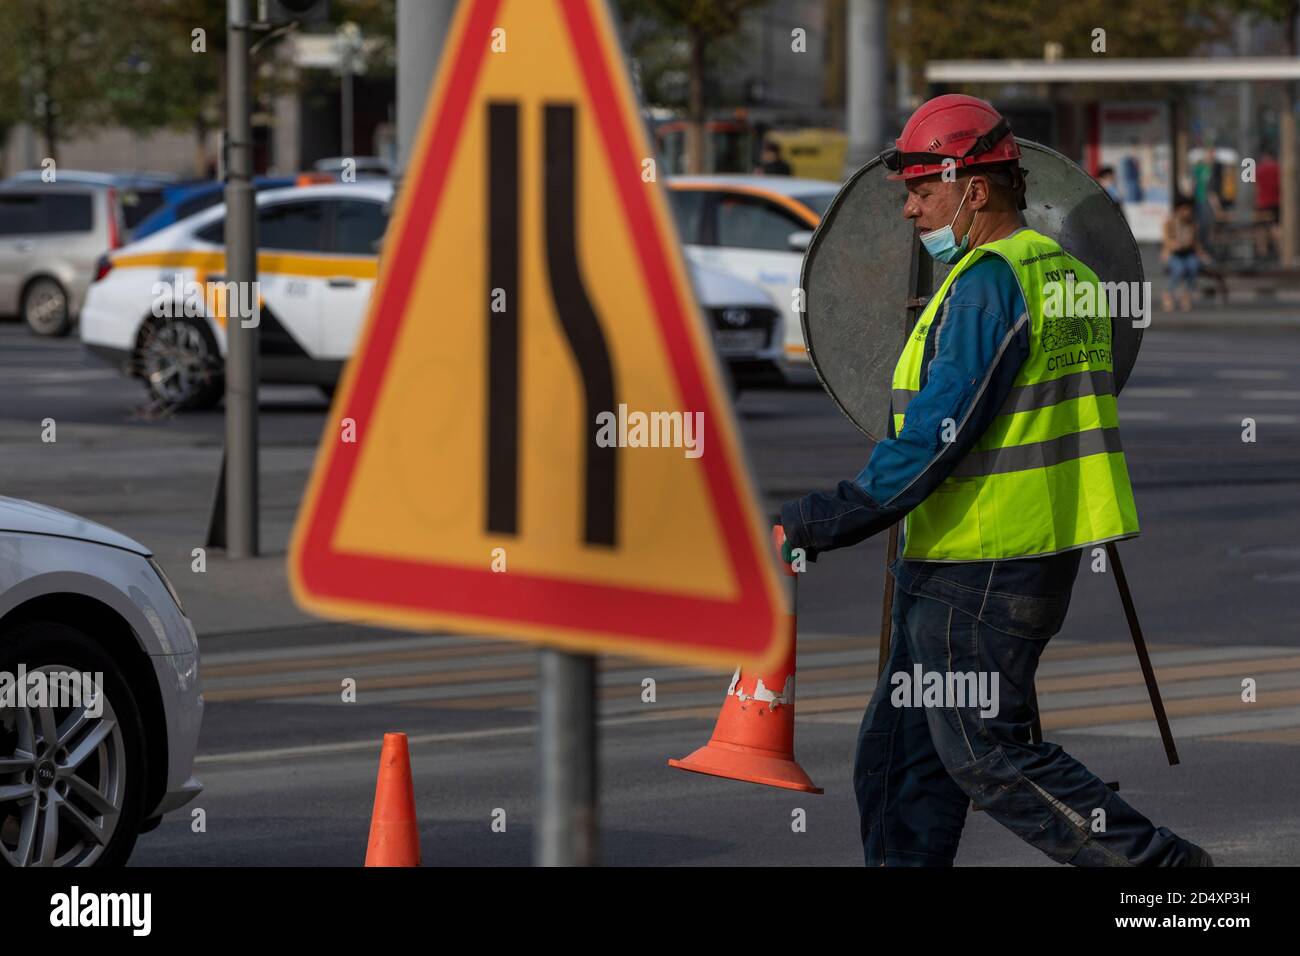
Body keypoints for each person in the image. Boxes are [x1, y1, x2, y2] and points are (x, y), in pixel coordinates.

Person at [779, 93, 1212, 867]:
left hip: (980, 562)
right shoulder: (1070, 275)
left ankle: (1170, 879)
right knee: (900, 760)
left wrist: (817, 521)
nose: (911, 210)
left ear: (974, 189)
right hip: (1001, 551)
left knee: (992, 756)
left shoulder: (990, 284)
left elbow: (934, 439)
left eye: (923, 190)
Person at [1160, 196, 1207, 313]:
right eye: (1185, 209)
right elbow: (1166, 241)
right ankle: (1168, 294)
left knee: (1193, 266)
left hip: (1188, 253)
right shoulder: (1169, 222)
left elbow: (1196, 243)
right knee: (1179, 268)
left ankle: (1186, 294)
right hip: (1173, 254)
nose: (1187, 212)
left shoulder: (1192, 223)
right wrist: (1174, 245)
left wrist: (1202, 254)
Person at [1254, 150, 1280, 260]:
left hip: (1262, 202)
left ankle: (1262, 252)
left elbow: (1256, 187)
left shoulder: (1259, 169)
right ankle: (1280, 250)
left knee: (1261, 228)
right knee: (1275, 226)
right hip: (1276, 201)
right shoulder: (1277, 168)